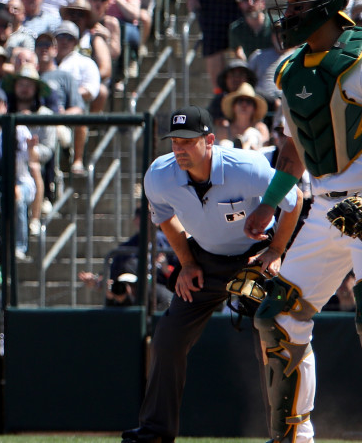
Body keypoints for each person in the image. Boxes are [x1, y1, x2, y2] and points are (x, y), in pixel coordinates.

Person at [122, 106, 301, 443]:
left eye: (188, 141)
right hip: (205, 259)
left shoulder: (245, 167)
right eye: (174, 141)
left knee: (271, 340)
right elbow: (164, 218)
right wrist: (187, 262)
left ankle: (284, 436)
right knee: (167, 338)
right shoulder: (159, 175)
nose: (179, 148)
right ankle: (155, 432)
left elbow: (295, 200)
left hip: (255, 259)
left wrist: (277, 250)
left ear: (209, 140)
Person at [238, 0, 362, 442]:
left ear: (328, 3)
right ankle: (293, 438)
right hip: (327, 207)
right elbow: (293, 151)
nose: (286, 12)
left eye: (296, 2)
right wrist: (270, 204)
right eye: (285, 3)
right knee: (278, 317)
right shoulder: (289, 70)